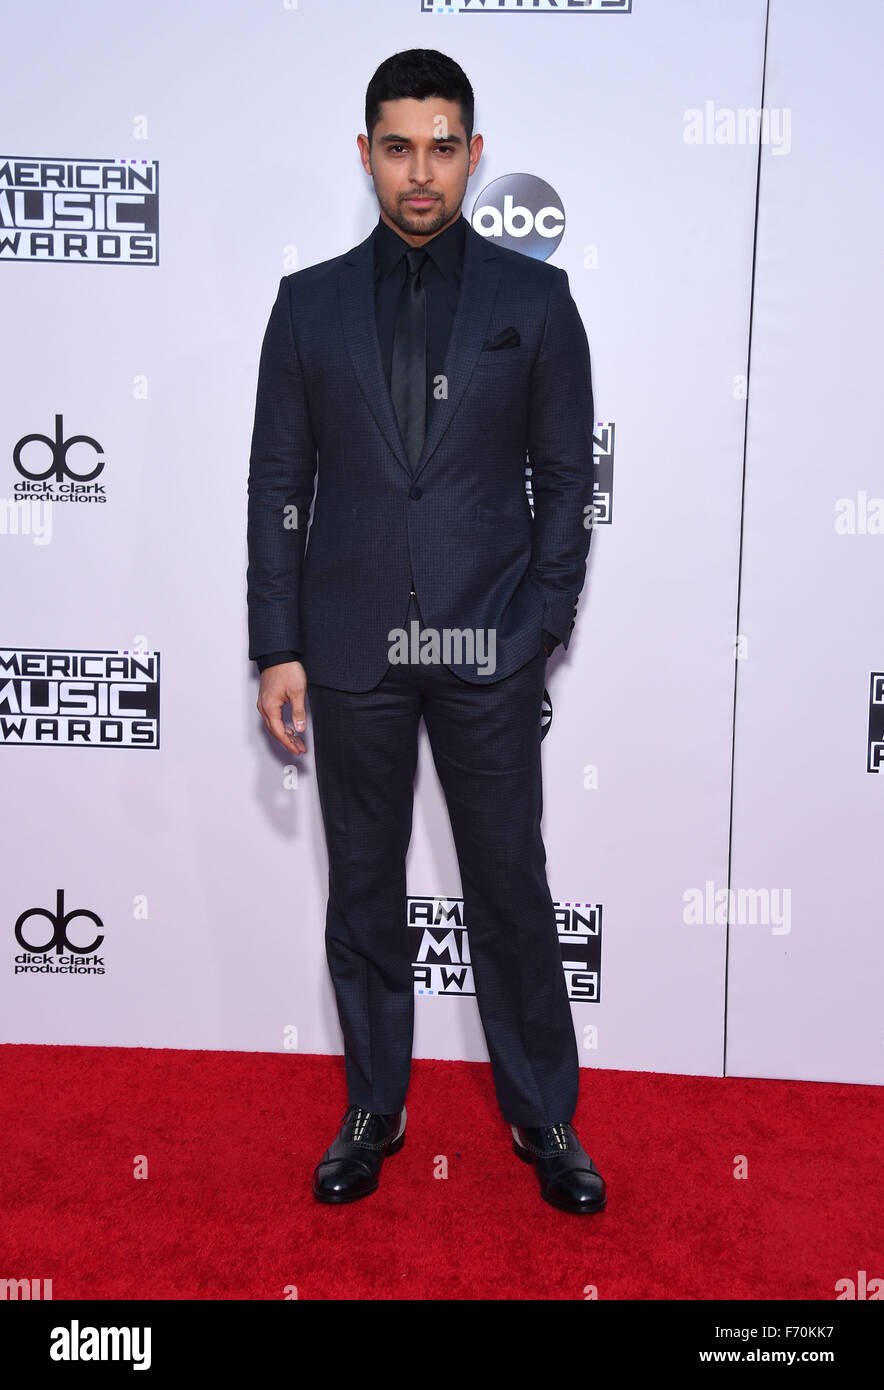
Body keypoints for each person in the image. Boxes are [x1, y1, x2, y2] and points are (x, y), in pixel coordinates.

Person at [247, 49, 605, 1215]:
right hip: (347, 645)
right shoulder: (305, 304)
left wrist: (540, 622)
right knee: (363, 889)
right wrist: (276, 644)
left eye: (441, 145)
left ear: (472, 152)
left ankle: (544, 1118)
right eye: (396, 145)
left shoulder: (532, 303)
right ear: (364, 155)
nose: (420, 170)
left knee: (508, 883)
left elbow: (564, 475)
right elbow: (275, 483)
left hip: (484, 646)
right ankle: (372, 1107)